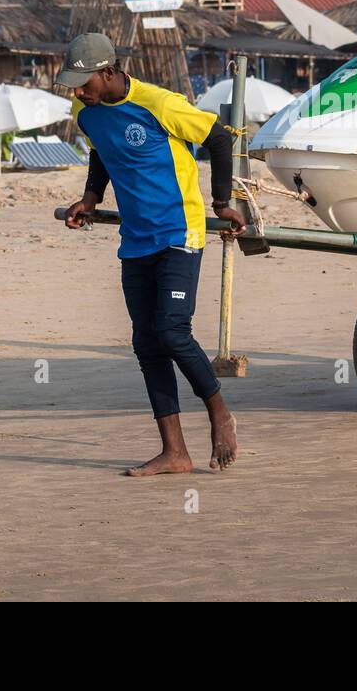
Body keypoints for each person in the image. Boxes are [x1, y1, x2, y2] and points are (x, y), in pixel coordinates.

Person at [58, 33, 246, 475]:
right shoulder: (86, 113)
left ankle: (220, 414)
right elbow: (101, 152)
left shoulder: (159, 103)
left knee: (173, 331)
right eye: (73, 85)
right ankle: (175, 452)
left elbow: (218, 139)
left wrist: (222, 203)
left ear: (108, 72)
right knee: (146, 343)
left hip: (179, 233)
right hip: (136, 240)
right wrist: (90, 197)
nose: (78, 91)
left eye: (84, 82)